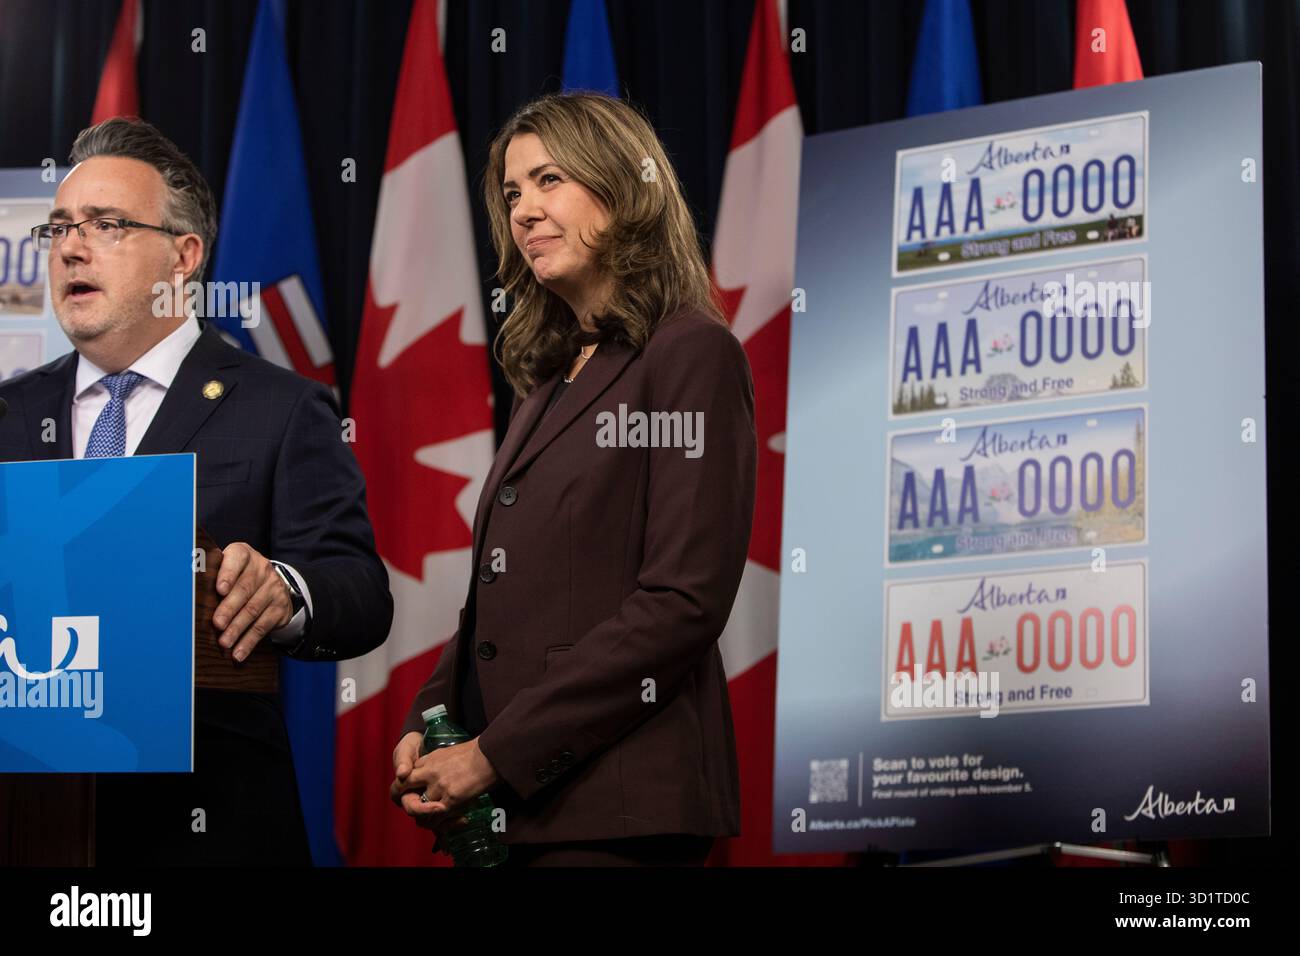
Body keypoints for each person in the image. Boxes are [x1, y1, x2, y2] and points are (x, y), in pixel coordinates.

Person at [0, 118, 393, 865]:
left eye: (106, 225)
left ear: (184, 255)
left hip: (210, 824)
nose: (72, 248)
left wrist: (284, 590)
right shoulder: (8, 414)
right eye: (58, 229)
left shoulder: (280, 407)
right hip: (33, 825)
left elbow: (360, 593)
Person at [389, 92, 756, 867]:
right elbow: (514, 596)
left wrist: (494, 753)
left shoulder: (690, 352)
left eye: (550, 179)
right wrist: (433, 714)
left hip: (618, 814)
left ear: (624, 187)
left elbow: (682, 601)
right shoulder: (549, 378)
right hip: (519, 816)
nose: (524, 211)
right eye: (513, 193)